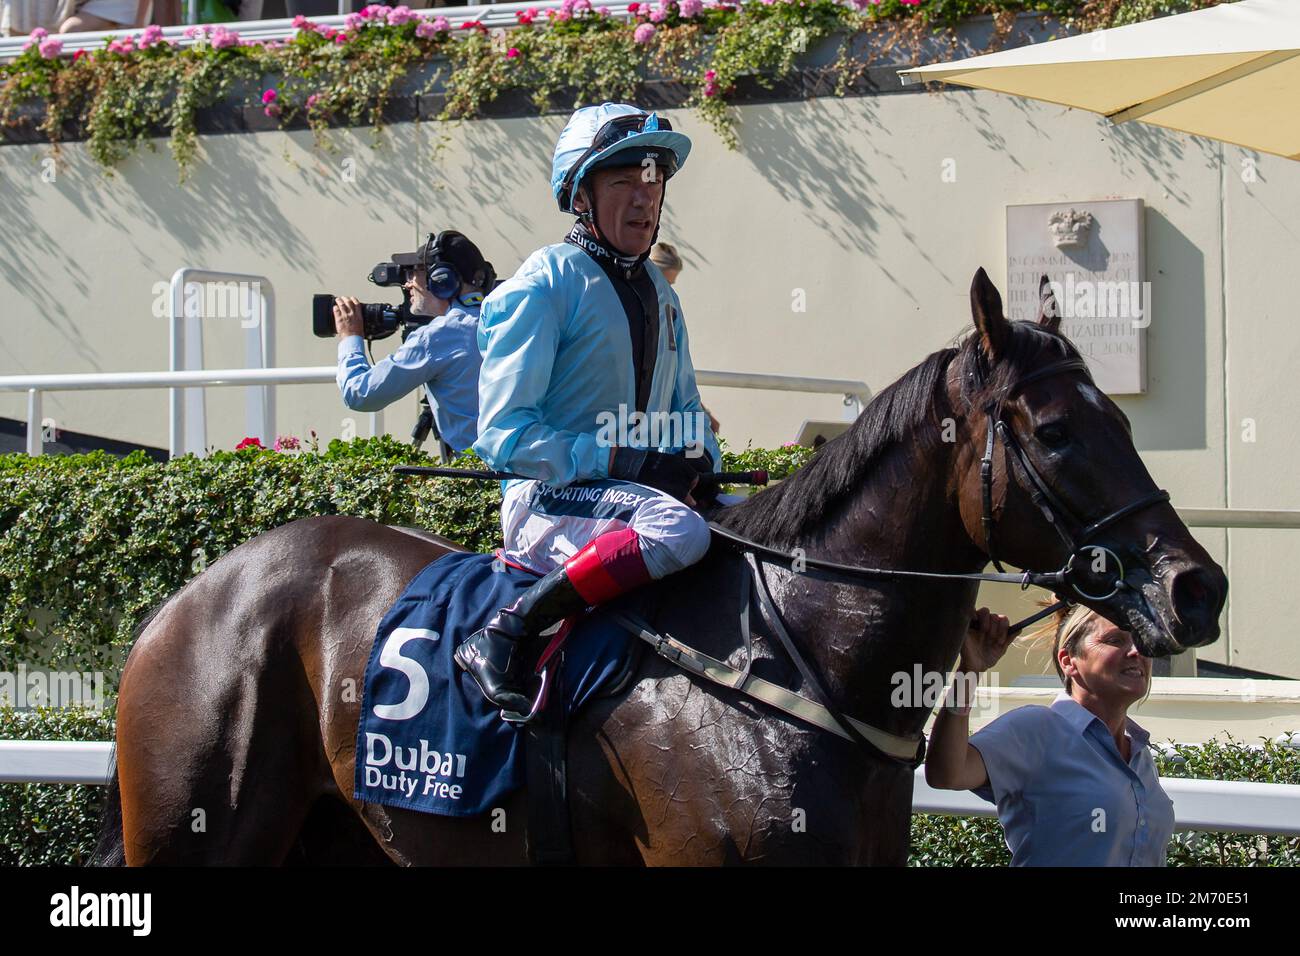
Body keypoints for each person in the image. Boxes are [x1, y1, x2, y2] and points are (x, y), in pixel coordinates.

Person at [455, 103, 721, 717]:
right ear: (581, 195)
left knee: (757, 522)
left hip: (628, 500)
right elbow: (501, 436)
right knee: (677, 530)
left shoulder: (661, 292)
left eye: (652, 179)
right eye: (623, 181)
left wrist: (700, 459)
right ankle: (508, 632)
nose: (643, 197)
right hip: (548, 501)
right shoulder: (541, 283)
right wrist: (617, 456)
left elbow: (685, 410)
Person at [925, 604, 1176, 866]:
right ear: (1068, 661)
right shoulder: (1037, 728)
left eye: (1142, 641)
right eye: (1115, 640)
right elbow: (946, 773)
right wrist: (970, 670)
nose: (1137, 652)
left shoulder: (1140, 754)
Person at [334, 231, 494, 455]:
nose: (407, 284)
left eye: (413, 273)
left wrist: (350, 336)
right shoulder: (503, 319)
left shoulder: (438, 337)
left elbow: (361, 394)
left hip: (481, 474)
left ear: (441, 279)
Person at [649, 241, 721, 436]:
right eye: (665, 283)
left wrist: (703, 414)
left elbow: (677, 377)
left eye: (670, 285)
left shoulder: (668, 311)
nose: (667, 291)